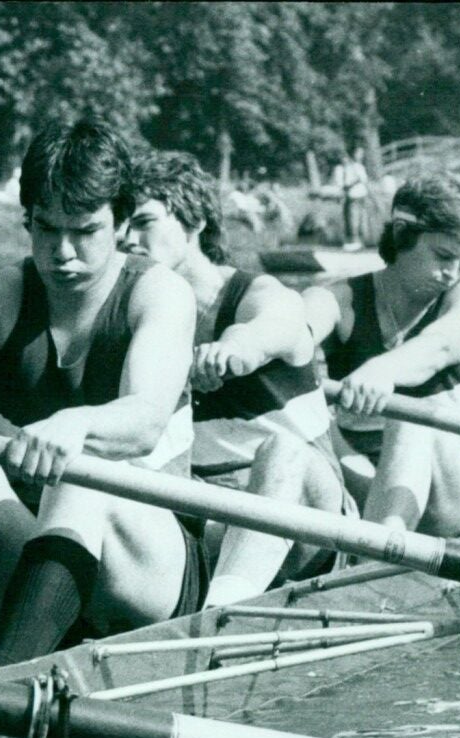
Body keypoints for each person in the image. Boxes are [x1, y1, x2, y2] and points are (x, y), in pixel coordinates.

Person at [0, 119, 199, 663]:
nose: (62, 251)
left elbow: (144, 421)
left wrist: (76, 423)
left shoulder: (159, 293)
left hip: (150, 566)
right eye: (46, 229)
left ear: (119, 225)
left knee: (80, 476)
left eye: (84, 231)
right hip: (36, 555)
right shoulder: (0, 295)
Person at [121, 151, 347, 606]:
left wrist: (236, 349)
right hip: (209, 518)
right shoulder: (132, 315)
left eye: (143, 221)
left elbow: (281, 327)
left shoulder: (258, 293)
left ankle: (218, 614)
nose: (128, 239)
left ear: (195, 221)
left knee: (283, 452)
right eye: (120, 226)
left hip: (311, 520)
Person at [305, 173, 460, 538]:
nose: (452, 274)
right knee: (299, 434)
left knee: (411, 418)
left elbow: (439, 346)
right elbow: (294, 328)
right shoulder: (339, 299)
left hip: (455, 486)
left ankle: (375, 553)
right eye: (443, 256)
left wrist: (383, 368)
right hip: (362, 470)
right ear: (401, 234)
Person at [329, 147, 371, 250]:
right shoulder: (347, 168)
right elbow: (343, 185)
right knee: (354, 219)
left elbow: (363, 181)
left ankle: (359, 241)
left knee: (358, 219)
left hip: (358, 195)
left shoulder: (357, 167)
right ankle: (356, 241)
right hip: (354, 195)